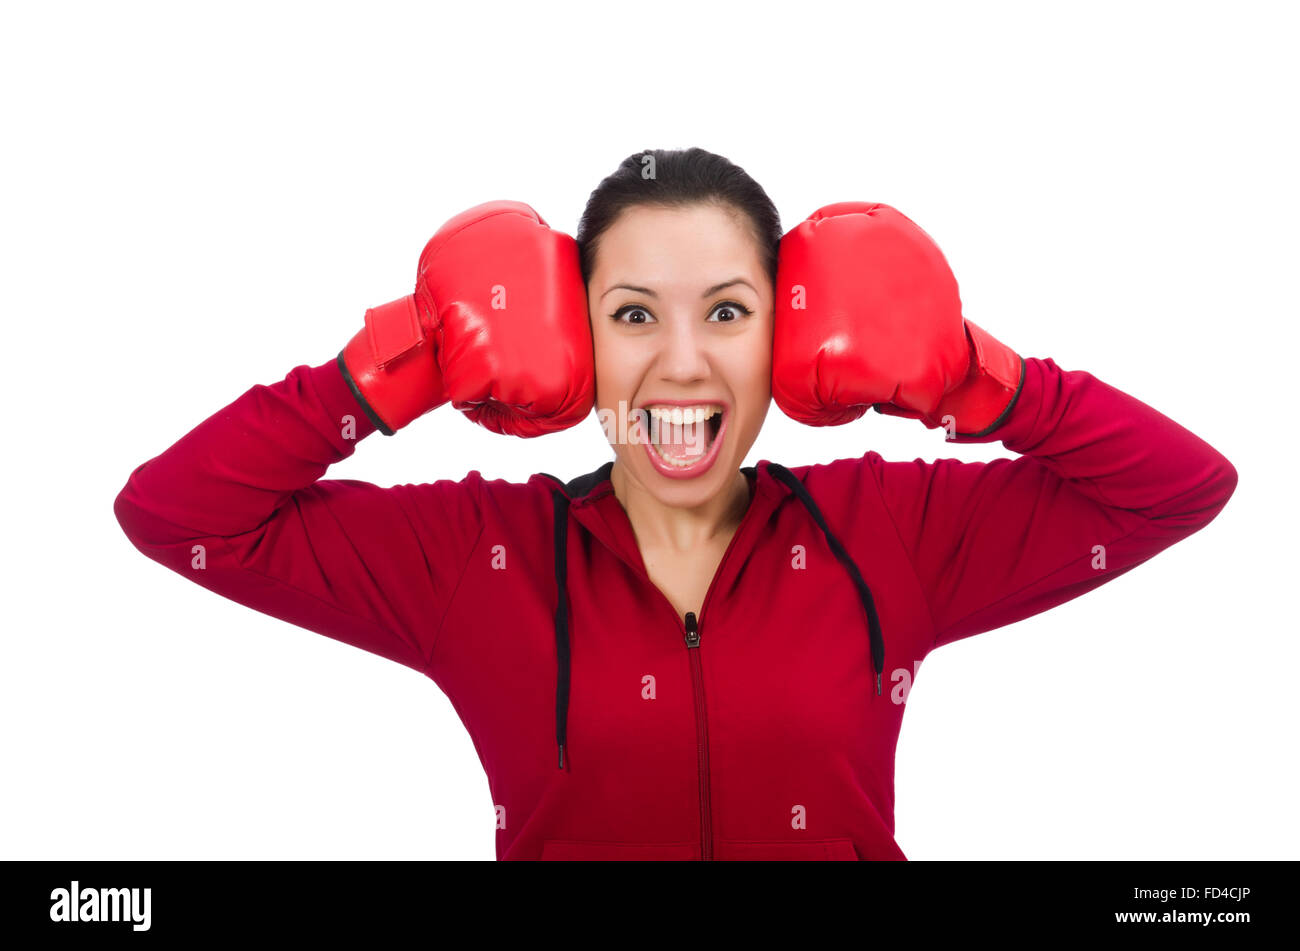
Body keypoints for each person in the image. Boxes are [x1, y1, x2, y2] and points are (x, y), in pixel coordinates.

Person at [113, 147, 1238, 860]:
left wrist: (976, 381)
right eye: (634, 315)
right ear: (572, 343)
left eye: (732, 313)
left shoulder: (882, 533)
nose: (684, 365)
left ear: (790, 341)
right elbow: (178, 516)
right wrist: (394, 368)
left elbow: (1177, 489)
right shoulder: (479, 557)